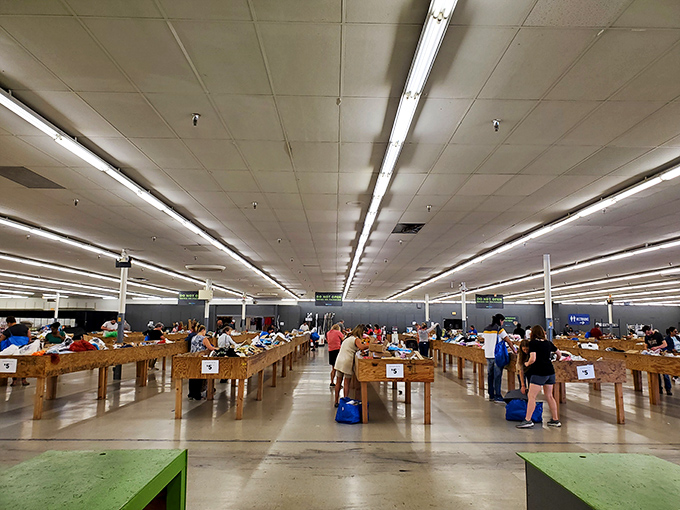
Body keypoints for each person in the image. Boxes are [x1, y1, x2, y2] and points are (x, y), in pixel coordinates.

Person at [517, 325, 561, 428]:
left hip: (539, 372)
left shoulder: (533, 343)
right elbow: (559, 353)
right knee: (550, 396)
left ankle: (528, 420)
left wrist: (527, 364)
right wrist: (557, 359)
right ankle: (555, 419)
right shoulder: (548, 343)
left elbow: (533, 358)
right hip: (550, 372)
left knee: (532, 396)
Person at [482, 314, 517, 403]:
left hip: (488, 354)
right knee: (497, 376)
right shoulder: (499, 329)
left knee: (490, 375)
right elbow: (508, 341)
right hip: (497, 355)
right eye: (503, 321)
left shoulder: (486, 329)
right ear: (500, 320)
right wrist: (514, 351)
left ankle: (491, 394)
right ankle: (497, 395)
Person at [333, 325, 368, 407]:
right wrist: (370, 345)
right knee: (346, 383)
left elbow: (354, 348)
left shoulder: (348, 338)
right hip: (347, 361)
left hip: (339, 360)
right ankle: (345, 401)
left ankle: (336, 401)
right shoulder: (356, 339)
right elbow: (362, 347)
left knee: (338, 382)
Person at [0, 316, 32, 386]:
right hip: (24, 349)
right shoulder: (24, 327)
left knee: (14, 365)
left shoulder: (9, 330)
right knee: (23, 364)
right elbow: (29, 336)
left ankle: (14, 381)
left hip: (14, 350)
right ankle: (24, 380)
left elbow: (1, 339)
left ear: (8, 323)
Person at [643, 326, 671, 396]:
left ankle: (668, 389)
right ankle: (659, 389)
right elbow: (645, 345)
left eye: (648, 333)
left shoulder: (658, 335)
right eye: (647, 334)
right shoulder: (646, 337)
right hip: (653, 356)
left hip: (661, 354)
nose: (648, 335)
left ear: (650, 330)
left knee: (665, 373)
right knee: (656, 373)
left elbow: (665, 344)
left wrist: (657, 347)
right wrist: (646, 349)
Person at [188, 326, 215, 400]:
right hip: (200, 359)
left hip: (192, 358)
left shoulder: (193, 337)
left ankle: (191, 393)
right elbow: (210, 348)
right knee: (199, 376)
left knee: (192, 376)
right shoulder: (204, 338)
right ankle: (197, 395)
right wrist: (217, 348)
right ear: (203, 330)